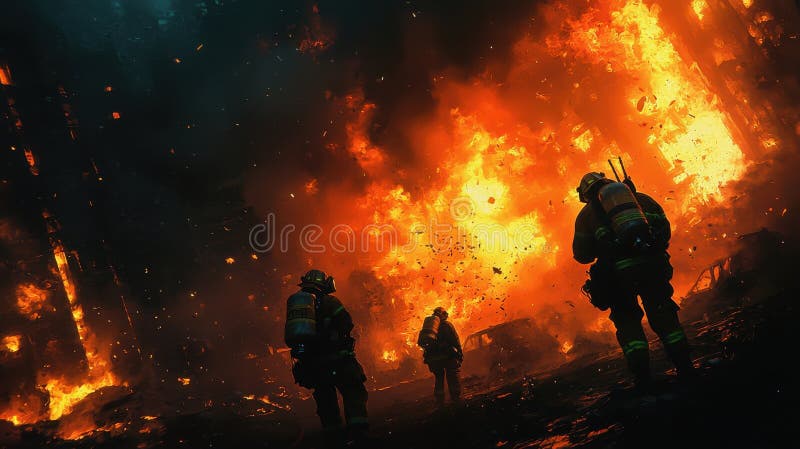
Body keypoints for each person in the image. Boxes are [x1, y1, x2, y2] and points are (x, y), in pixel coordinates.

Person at [572, 172, 694, 389]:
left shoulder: (586, 215)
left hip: (618, 277)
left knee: (628, 324)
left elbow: (582, 256)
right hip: (652, 268)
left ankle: (643, 378)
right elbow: (664, 229)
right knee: (664, 316)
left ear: (585, 193)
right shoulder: (642, 199)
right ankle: (685, 368)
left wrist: (605, 244)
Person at [285, 269, 368, 446]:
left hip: (314, 364)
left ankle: (334, 438)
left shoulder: (298, 306)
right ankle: (358, 434)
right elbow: (346, 323)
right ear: (323, 284)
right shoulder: (329, 301)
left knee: (325, 400)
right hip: (338, 359)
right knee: (353, 392)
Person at [422, 307, 462, 406]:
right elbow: (454, 339)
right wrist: (459, 353)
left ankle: (440, 400)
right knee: (452, 375)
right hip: (447, 356)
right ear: (443, 315)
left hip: (434, 359)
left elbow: (426, 344)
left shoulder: (430, 328)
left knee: (439, 378)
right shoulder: (447, 325)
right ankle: (455, 398)